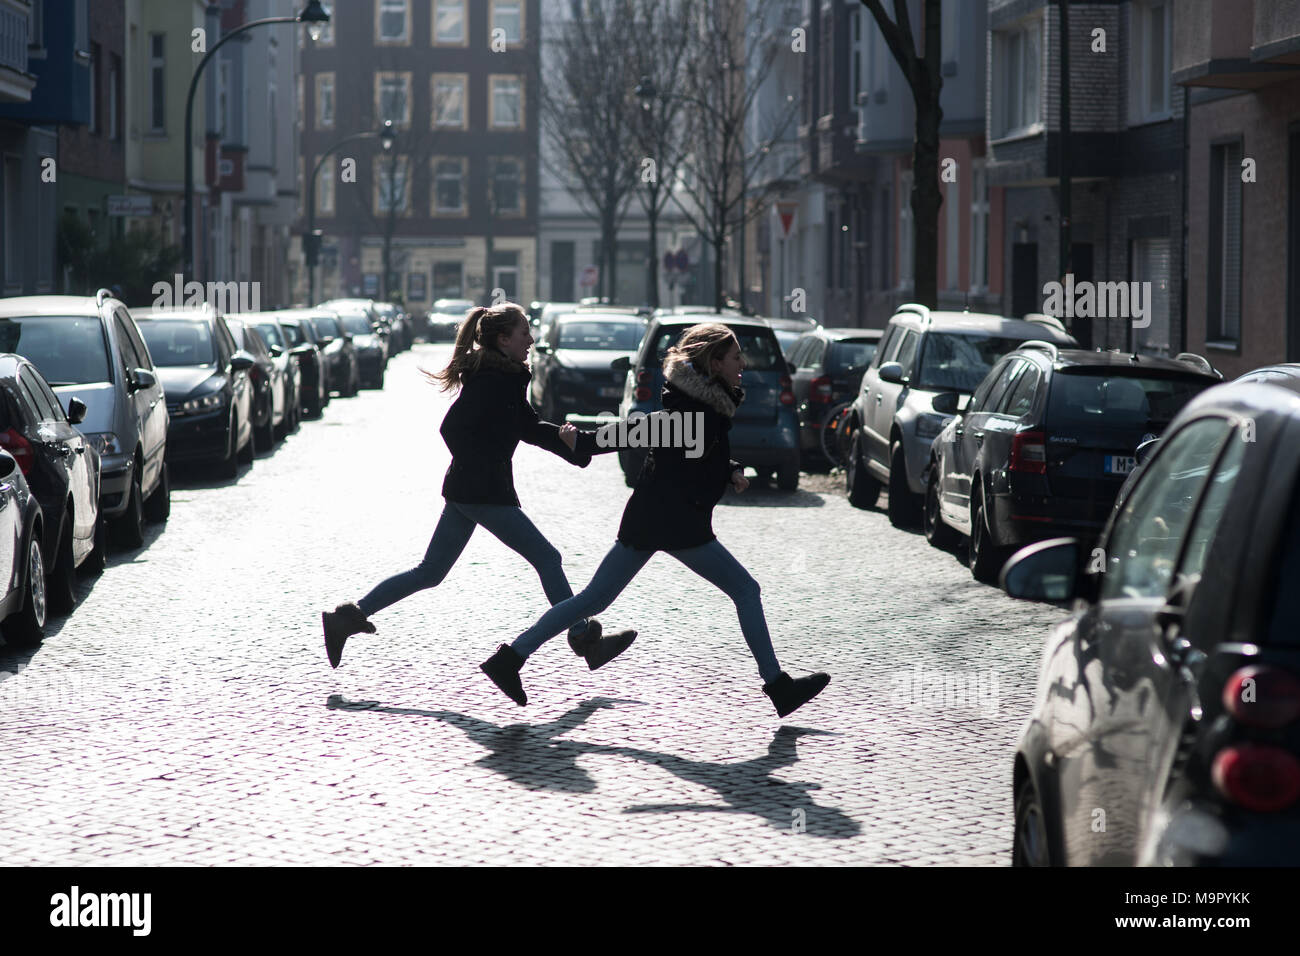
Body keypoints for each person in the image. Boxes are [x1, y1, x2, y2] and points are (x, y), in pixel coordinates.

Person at [480, 323, 830, 717]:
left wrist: (729, 469)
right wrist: (578, 441)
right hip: (674, 520)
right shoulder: (688, 410)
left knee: (593, 599)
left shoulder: (704, 406)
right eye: (735, 358)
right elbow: (633, 434)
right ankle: (778, 686)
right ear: (714, 363)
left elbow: (694, 452)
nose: (742, 365)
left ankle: (509, 659)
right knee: (745, 590)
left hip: (659, 517)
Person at [321, 303, 636, 670]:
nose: (531, 339)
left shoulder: (504, 378)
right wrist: (483, 467)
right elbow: (451, 428)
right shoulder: (492, 381)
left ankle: (348, 617)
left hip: (469, 490)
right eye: (524, 333)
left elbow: (528, 428)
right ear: (503, 339)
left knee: (431, 571)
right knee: (547, 558)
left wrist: (577, 444)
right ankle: (584, 639)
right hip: (483, 491)